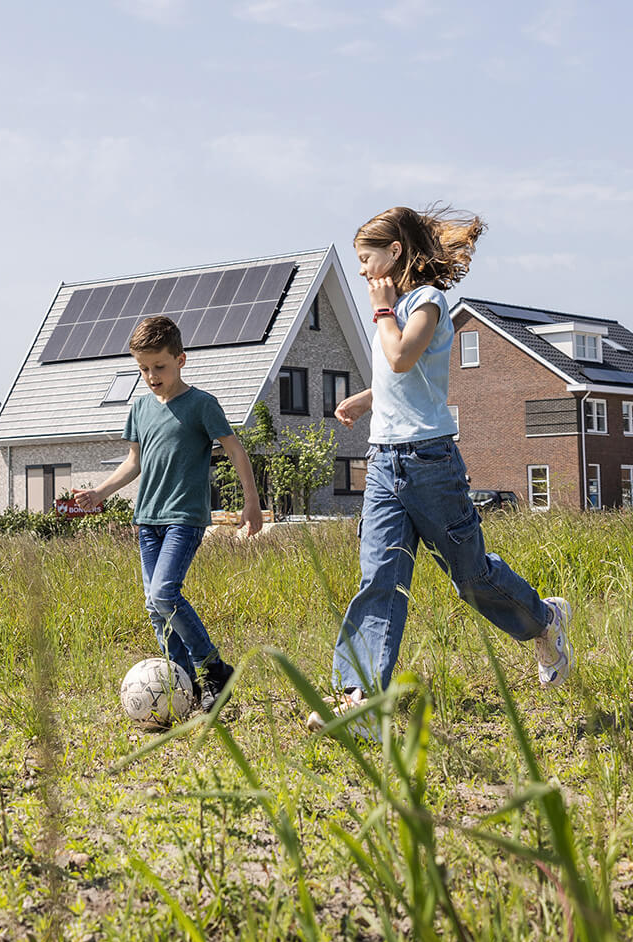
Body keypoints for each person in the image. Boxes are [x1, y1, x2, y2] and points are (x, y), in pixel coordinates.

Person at [310, 205, 573, 731]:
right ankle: (359, 697)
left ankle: (544, 620)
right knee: (380, 578)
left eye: (366, 258)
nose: (361, 270)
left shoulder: (426, 301)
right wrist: (365, 399)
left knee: (470, 577)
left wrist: (383, 310)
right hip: (383, 461)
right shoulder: (395, 309)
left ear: (395, 252)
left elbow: (403, 356)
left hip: (430, 462)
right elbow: (402, 377)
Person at [74, 315, 264, 714]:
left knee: (164, 594)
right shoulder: (141, 408)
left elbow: (235, 450)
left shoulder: (201, 405)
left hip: (184, 518)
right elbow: (134, 462)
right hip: (148, 520)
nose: (151, 376)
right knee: (155, 607)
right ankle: (183, 683)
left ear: (180, 360)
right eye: (143, 369)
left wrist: (251, 500)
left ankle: (214, 670)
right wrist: (100, 492)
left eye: (158, 367)